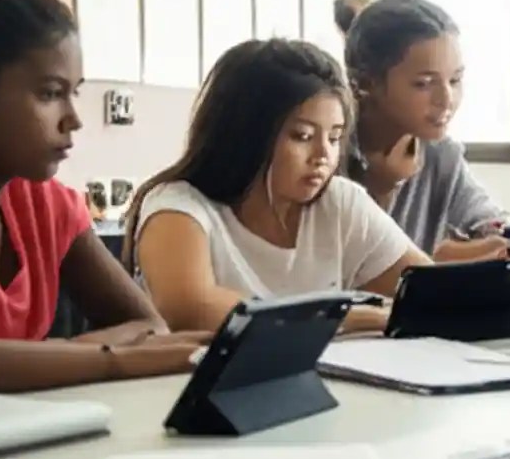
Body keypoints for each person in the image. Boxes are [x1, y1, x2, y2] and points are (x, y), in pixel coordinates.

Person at [124, 39, 432, 336]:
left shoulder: (340, 202)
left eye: (335, 137)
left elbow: (430, 294)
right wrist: (354, 316)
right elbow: (190, 310)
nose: (323, 155)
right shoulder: (178, 207)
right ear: (245, 134)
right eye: (302, 136)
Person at [0, 0, 206, 392]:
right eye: (51, 94)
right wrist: (111, 360)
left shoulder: (46, 206)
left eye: (75, 93)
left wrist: (65, 356)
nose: (74, 118)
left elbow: (147, 324)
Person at [335, 0, 510, 262]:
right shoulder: (326, 150)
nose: (446, 100)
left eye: (455, 80)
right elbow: (342, 271)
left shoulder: (440, 155)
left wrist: (503, 239)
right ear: (365, 83)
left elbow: (494, 226)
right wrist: (382, 190)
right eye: (423, 83)